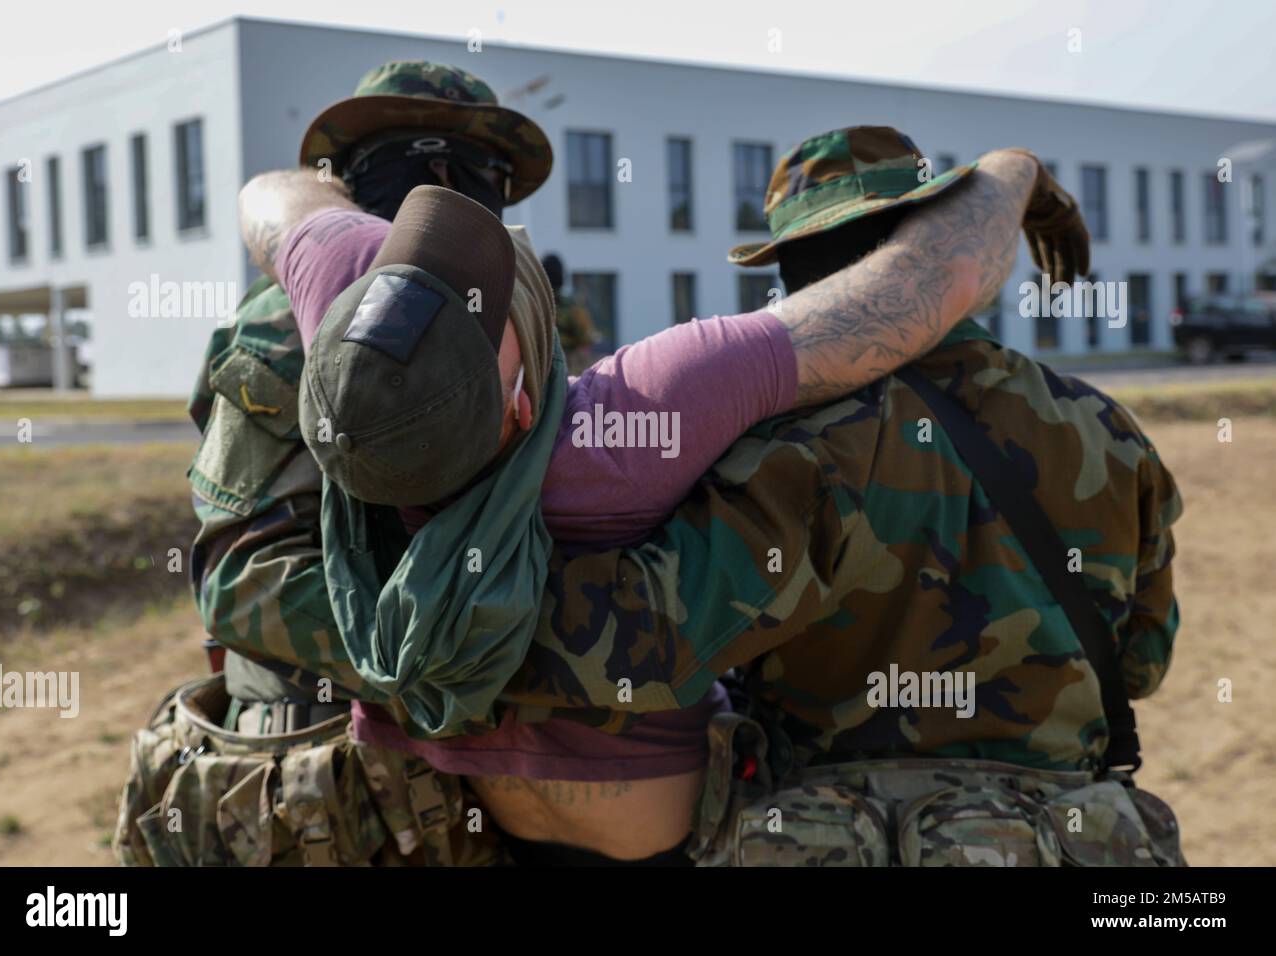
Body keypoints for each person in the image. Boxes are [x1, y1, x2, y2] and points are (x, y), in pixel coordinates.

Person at [236, 132, 1089, 864]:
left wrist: (338, 208)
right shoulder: (623, 430)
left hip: (465, 815)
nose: (453, 264)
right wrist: (1014, 172)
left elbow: (270, 199)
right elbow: (925, 282)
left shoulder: (358, 363)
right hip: (660, 843)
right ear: (523, 406)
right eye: (481, 298)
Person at [491, 127, 1186, 866]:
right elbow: (1143, 661)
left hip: (838, 833)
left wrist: (448, 599)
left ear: (799, 279)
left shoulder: (798, 448)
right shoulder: (1108, 430)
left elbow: (639, 647)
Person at [115, 60, 553, 867]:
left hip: (470, 783)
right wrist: (469, 649)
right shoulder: (285, 322)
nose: (451, 190)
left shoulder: (513, 320)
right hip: (326, 784)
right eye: (423, 171)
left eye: (476, 179)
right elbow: (242, 578)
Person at [540, 252, 599, 374]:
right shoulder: (572, 306)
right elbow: (586, 341)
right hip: (568, 369)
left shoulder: (535, 306)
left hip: (539, 369)